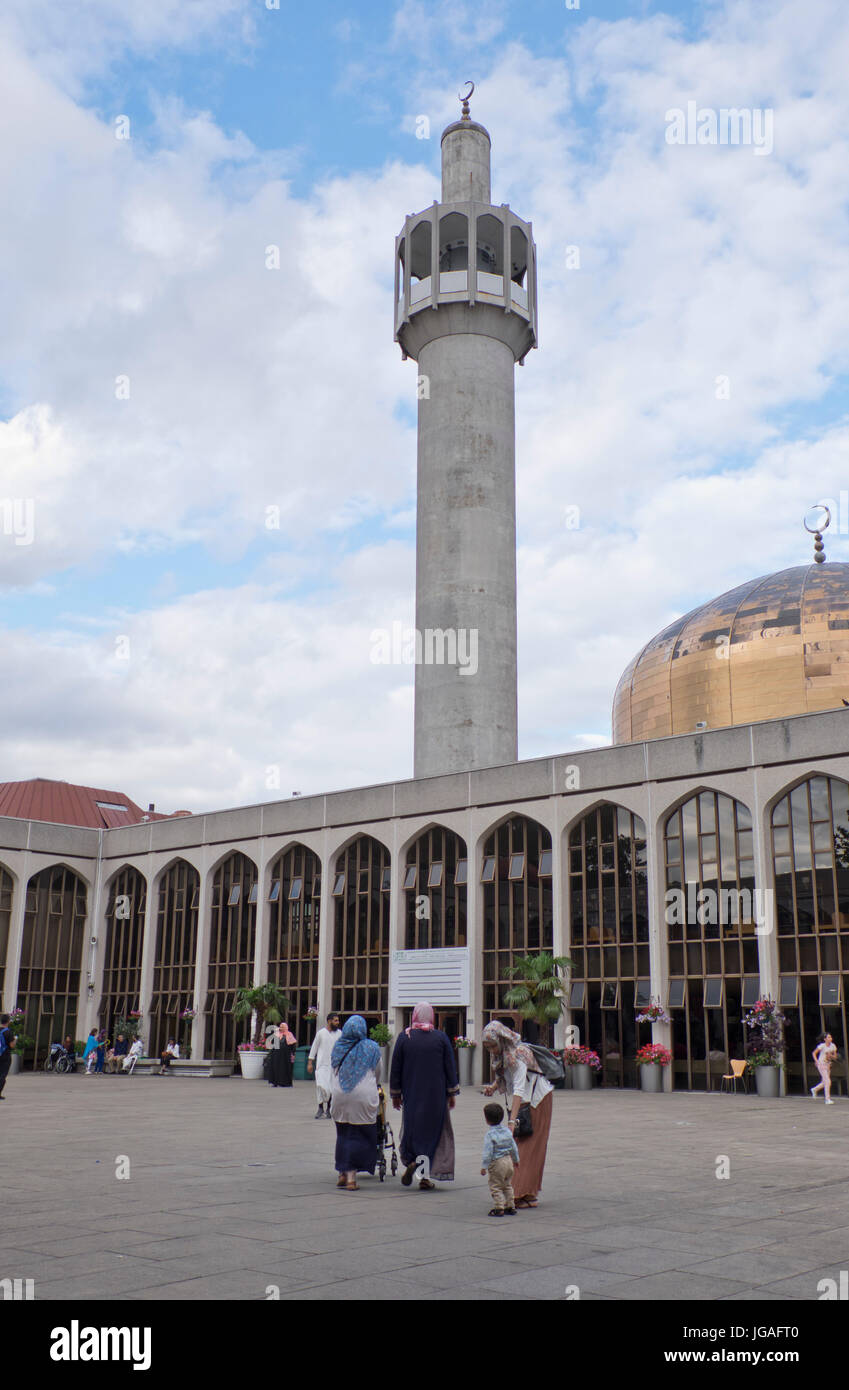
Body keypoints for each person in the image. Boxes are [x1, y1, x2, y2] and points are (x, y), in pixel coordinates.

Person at [482, 1020, 553, 1209]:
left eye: (492, 1045)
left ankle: (521, 1193)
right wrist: (494, 1087)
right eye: (487, 1047)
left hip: (537, 1100)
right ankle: (527, 1194)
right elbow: (507, 1077)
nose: (491, 1050)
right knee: (524, 1146)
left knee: (529, 1147)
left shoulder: (519, 1054)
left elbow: (519, 1088)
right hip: (525, 1102)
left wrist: (512, 1121)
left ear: (502, 1041)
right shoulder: (503, 1056)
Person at [389, 1001, 460, 1191]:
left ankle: (413, 1160)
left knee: (414, 1129)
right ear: (432, 1016)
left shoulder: (405, 1037)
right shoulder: (440, 1038)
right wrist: (452, 1092)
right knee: (433, 1132)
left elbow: (395, 1067)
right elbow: (449, 1067)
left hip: (412, 1093)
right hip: (436, 1095)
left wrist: (396, 1094)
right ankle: (424, 1177)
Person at [329, 1015, 382, 1191]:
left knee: (343, 1132)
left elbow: (333, 1068)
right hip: (363, 1095)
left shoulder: (338, 1046)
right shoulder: (371, 1047)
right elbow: (378, 1071)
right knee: (360, 1134)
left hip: (339, 1094)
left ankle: (342, 1172)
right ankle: (351, 1177)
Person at [481, 1101, 519, 1217]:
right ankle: (510, 1205)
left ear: (487, 1119)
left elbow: (488, 1152)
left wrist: (484, 1167)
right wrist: (516, 1159)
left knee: (496, 1185)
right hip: (508, 1161)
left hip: (497, 1163)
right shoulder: (507, 1131)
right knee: (507, 1184)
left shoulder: (490, 1134)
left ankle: (499, 1207)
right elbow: (513, 1146)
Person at [308, 1012, 340, 1116]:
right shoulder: (321, 1033)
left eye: (338, 1020)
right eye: (335, 1020)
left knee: (331, 1088)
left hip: (334, 1066)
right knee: (321, 1086)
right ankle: (320, 1107)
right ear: (329, 1021)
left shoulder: (340, 1033)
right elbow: (314, 1048)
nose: (337, 1023)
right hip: (321, 1065)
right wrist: (310, 1062)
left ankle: (329, 1108)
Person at [264, 1020, 296, 1088]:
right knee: (276, 1068)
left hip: (285, 1056)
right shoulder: (276, 1034)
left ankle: (285, 1083)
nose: (281, 1028)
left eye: (283, 1027)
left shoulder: (289, 1034)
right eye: (280, 1027)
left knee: (285, 1068)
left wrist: (292, 1053)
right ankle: (275, 1082)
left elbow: (292, 1045)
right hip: (276, 1055)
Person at [811, 1032, 838, 1104]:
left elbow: (835, 1057)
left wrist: (830, 1056)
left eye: (830, 1037)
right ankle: (827, 1099)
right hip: (821, 1064)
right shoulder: (822, 1046)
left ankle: (814, 1089)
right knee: (828, 1081)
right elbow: (814, 1053)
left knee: (824, 1082)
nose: (830, 1039)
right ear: (825, 1039)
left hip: (828, 1064)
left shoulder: (833, 1046)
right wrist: (816, 1061)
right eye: (828, 1037)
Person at [0, 1014, 16, 1100]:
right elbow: (12, 1045)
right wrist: (15, 1040)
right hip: (5, 1056)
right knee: (2, 1075)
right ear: (8, 1021)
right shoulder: (8, 1032)